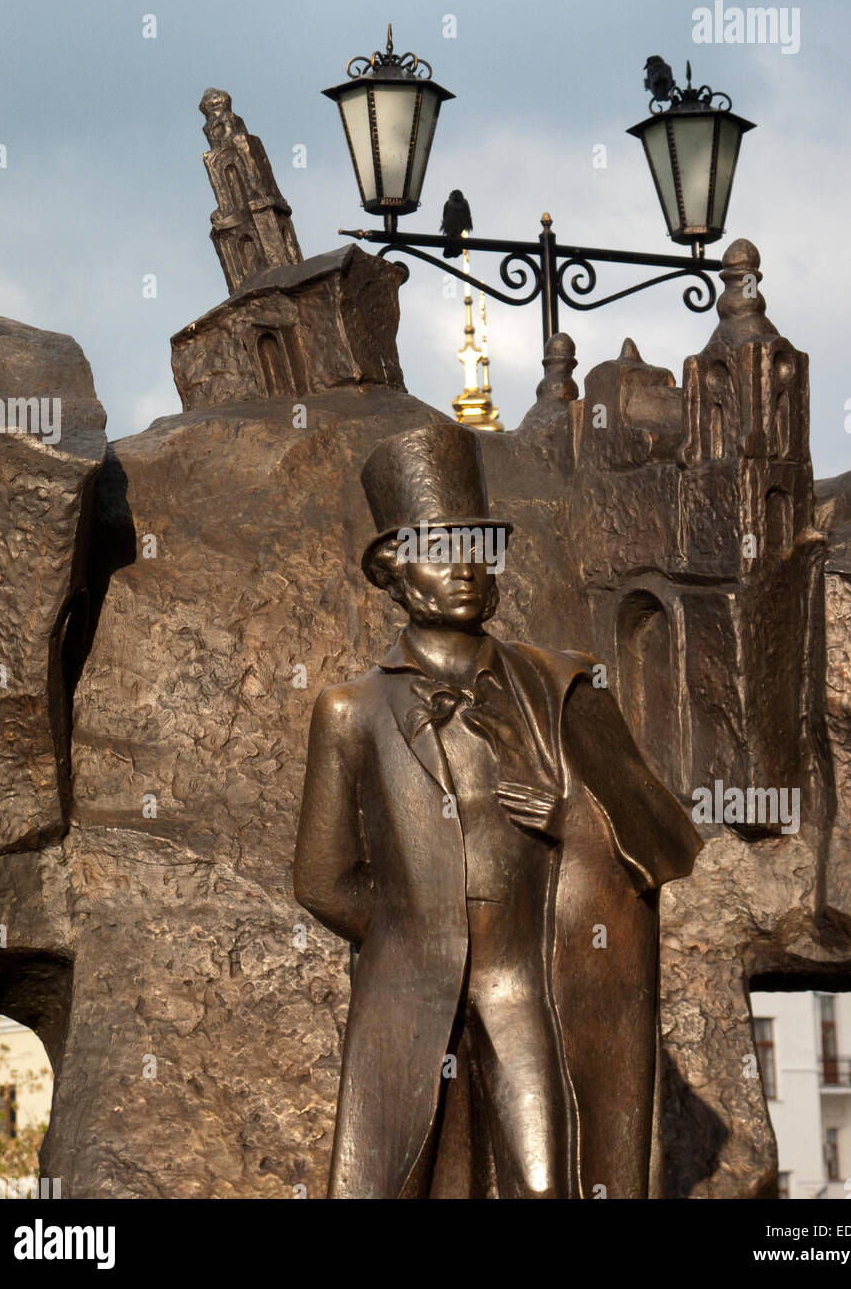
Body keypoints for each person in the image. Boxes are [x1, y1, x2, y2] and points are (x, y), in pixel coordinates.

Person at [294, 422, 702, 1198]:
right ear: (394, 570)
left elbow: (655, 841)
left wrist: (573, 826)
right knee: (398, 1180)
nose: (467, 573)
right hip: (407, 989)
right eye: (443, 554)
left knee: (547, 1182)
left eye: (479, 552)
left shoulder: (557, 688)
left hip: (524, 980)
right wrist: (415, 928)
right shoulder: (350, 710)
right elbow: (321, 879)